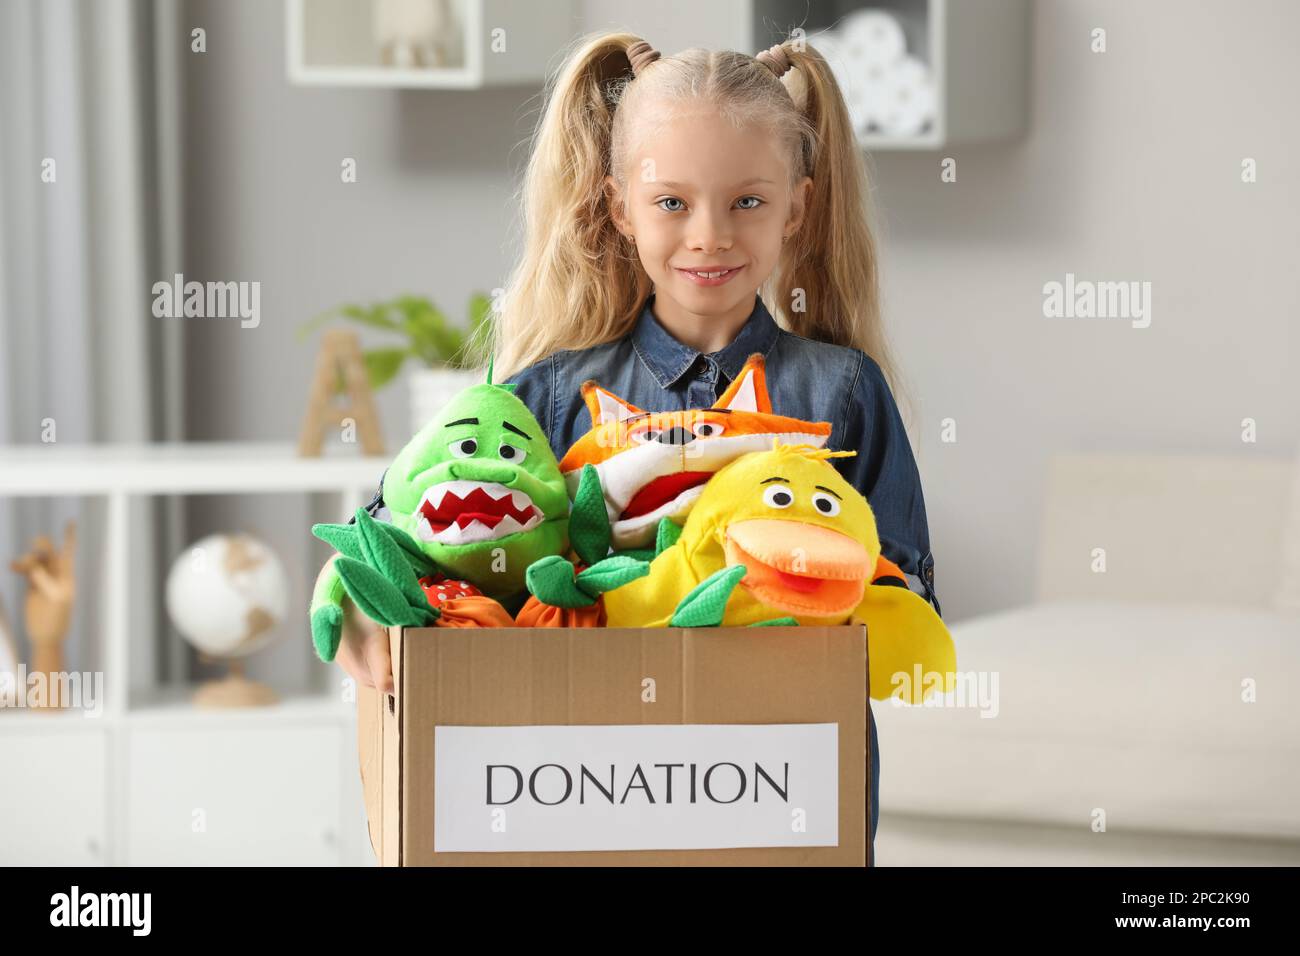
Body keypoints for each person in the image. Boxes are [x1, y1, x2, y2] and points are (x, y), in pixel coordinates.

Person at [334, 33, 942, 865]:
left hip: (778, 784)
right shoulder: (549, 395)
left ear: (797, 207)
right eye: (671, 203)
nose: (710, 236)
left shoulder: (840, 392)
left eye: (748, 202)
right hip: (591, 783)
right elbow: (402, 515)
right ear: (618, 206)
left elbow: (906, 598)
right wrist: (361, 593)